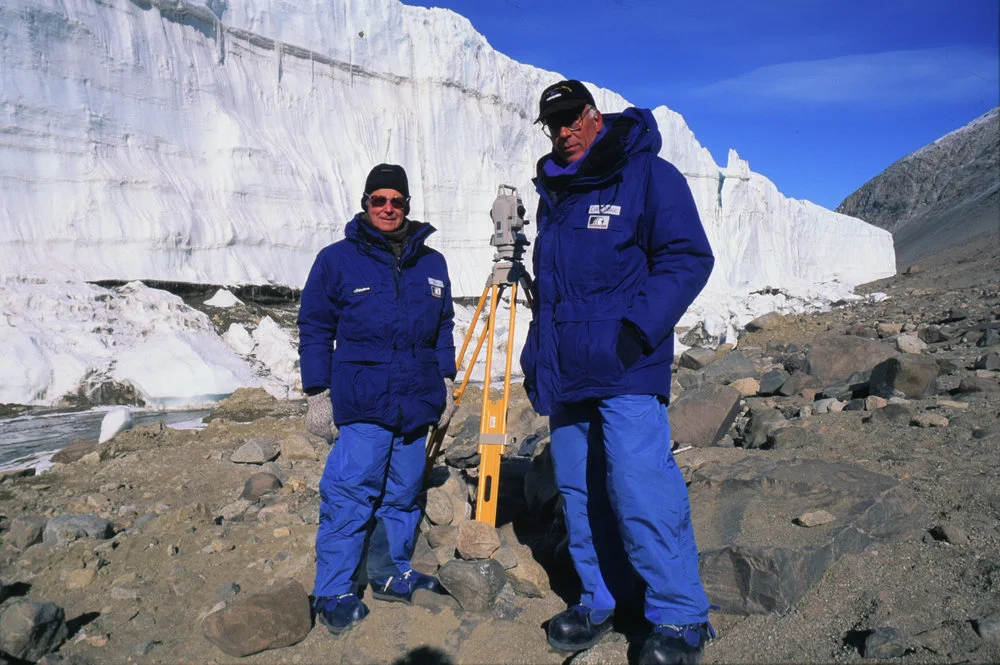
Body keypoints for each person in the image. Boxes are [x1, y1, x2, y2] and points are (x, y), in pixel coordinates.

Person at [520, 80, 716, 665]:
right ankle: (603, 598)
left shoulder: (648, 175)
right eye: (553, 123)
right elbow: (551, 295)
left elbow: (687, 257)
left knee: (639, 485)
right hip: (568, 371)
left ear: (594, 116)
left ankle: (681, 615)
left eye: (572, 118)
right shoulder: (555, 195)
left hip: (626, 366)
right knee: (579, 491)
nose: (563, 131)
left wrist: (634, 334)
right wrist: (536, 358)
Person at [297, 163, 457, 636]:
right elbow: (315, 327)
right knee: (350, 494)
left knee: (404, 493)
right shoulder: (336, 259)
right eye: (379, 200)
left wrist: (445, 381)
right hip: (363, 399)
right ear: (366, 203)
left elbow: (443, 327)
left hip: (416, 401)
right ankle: (333, 591)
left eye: (396, 201)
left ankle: (390, 573)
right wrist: (317, 393)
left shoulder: (432, 263)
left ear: (407, 205)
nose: (388, 208)